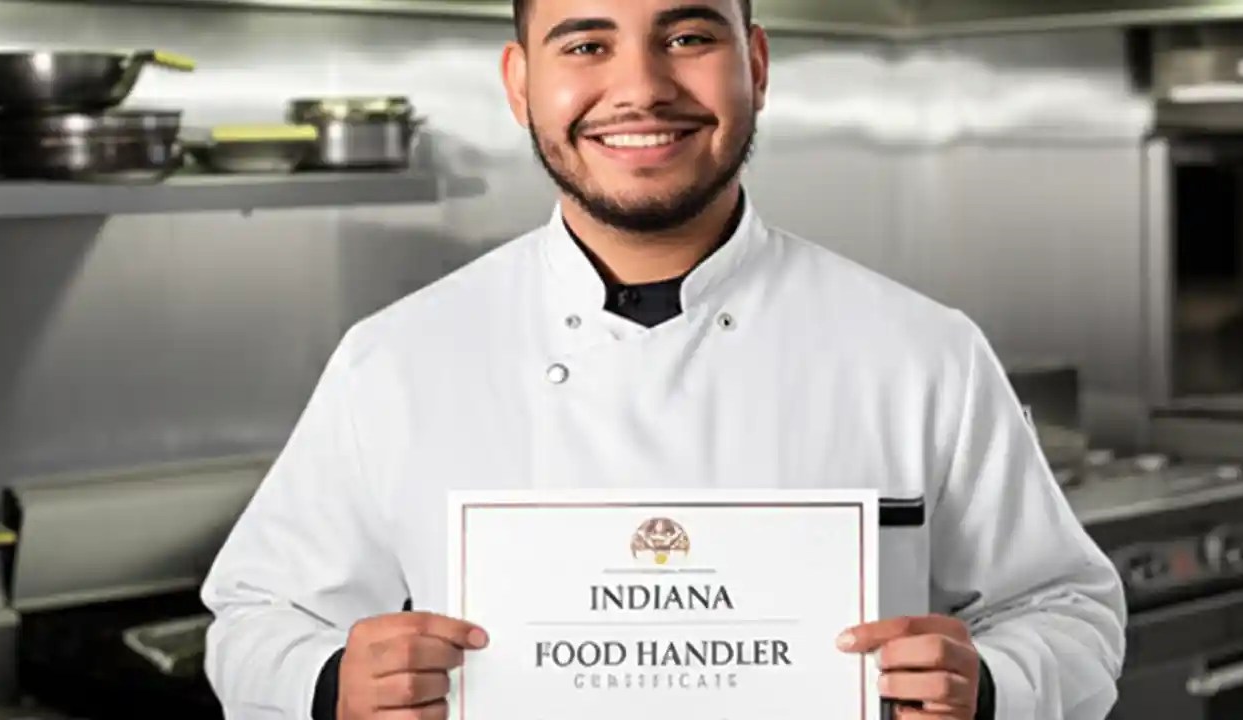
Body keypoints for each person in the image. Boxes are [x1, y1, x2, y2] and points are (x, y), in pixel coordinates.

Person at [201, 0, 1127, 718]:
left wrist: (994, 684)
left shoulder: (923, 352)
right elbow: (256, 615)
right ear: (520, 83)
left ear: (756, 66)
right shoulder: (397, 358)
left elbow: (1069, 610)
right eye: (585, 45)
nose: (640, 88)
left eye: (687, 36)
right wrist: (329, 685)